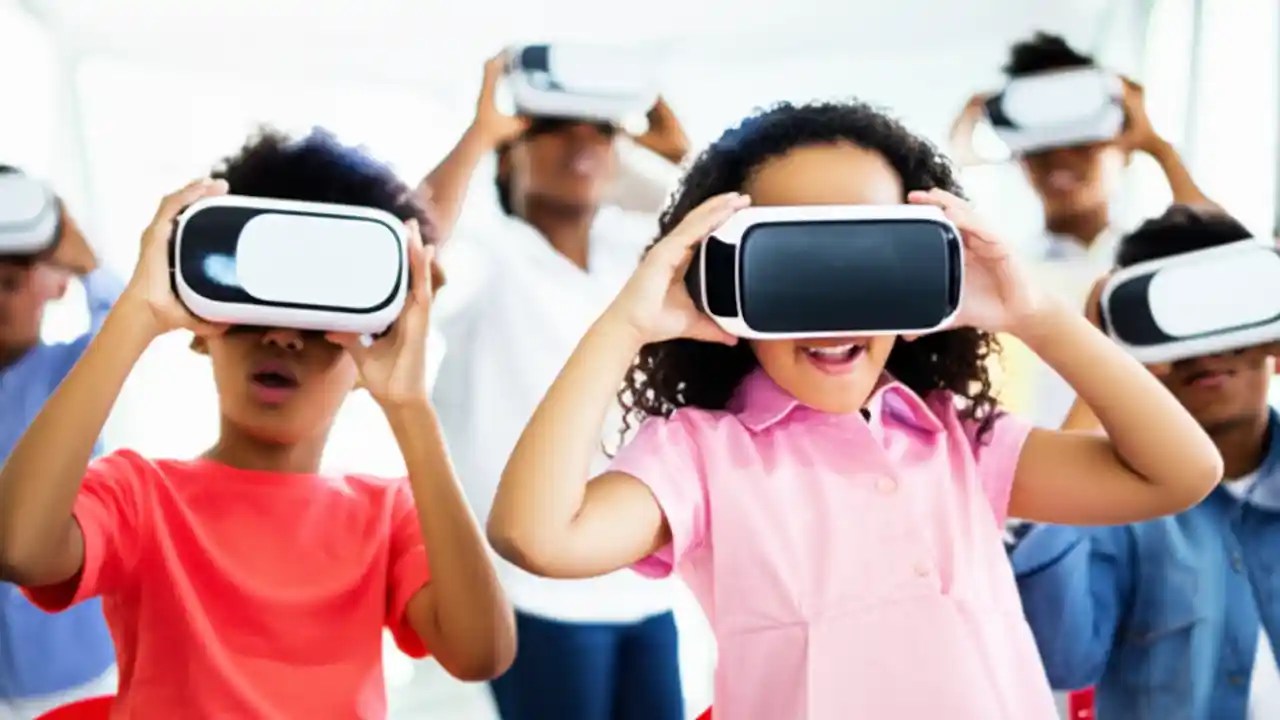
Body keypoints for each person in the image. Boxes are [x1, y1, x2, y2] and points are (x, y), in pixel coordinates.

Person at [487, 100, 1222, 719]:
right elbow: (537, 537)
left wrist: (1034, 314)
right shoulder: (703, 455)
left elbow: (1180, 473)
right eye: (792, 264)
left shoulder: (955, 436)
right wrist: (626, 323)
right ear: (723, 277)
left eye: (871, 258)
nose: (833, 306)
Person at [0, 130, 515, 718]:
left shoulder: (388, 515)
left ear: (376, 332)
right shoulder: (140, 496)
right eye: (251, 308)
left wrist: (410, 408)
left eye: (319, 319)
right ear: (202, 324)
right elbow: (19, 548)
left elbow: (482, 653)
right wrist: (138, 313)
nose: (281, 335)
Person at [422, 55, 691, 720]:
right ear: (511, 158)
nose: (583, 144)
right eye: (556, 128)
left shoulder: (631, 251)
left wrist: (681, 153)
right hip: (531, 588)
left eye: (600, 130)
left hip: (640, 583)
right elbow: (414, 251)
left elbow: (728, 233)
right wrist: (480, 132)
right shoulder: (492, 255)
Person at [1013, 205, 1280, 720]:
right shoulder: (1112, 510)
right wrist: (1093, 358)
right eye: (1172, 320)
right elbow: (1059, 661)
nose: (1203, 352)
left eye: (1226, 311)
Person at [948, 31, 1215, 427]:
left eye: (1081, 145)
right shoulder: (1004, 266)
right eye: (1040, 150)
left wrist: (1158, 146)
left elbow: (1220, 249)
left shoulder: (1154, 257)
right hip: (1055, 459)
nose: (1060, 163)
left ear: (1121, 147)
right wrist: (965, 136)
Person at [0, 167, 119, 720]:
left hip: (73, 671)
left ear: (56, 283)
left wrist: (85, 258)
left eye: (11, 282)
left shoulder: (73, 374)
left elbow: (125, 319)